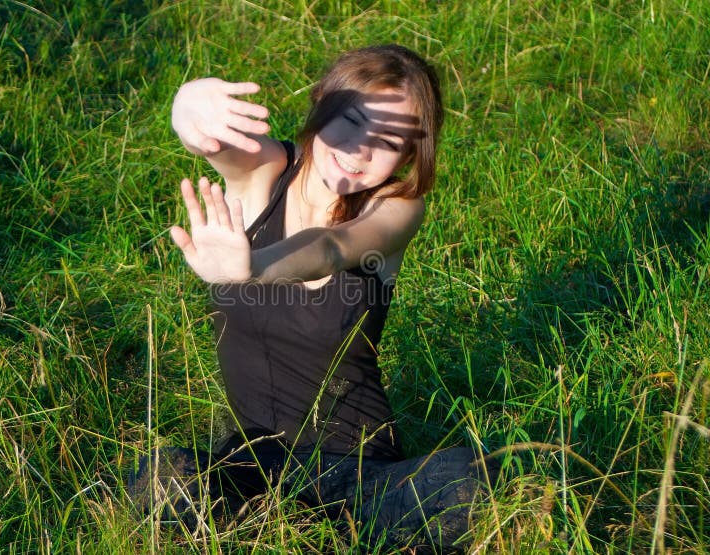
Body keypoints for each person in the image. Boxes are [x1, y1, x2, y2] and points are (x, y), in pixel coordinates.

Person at [128, 44, 497, 552]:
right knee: (163, 476)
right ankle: (272, 526)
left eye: (388, 140)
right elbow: (218, 146)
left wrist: (255, 267)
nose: (359, 149)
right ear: (321, 102)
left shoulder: (395, 207)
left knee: (467, 486)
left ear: (411, 155)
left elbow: (331, 246)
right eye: (348, 120)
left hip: (358, 473)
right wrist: (187, 106)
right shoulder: (266, 174)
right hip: (254, 464)